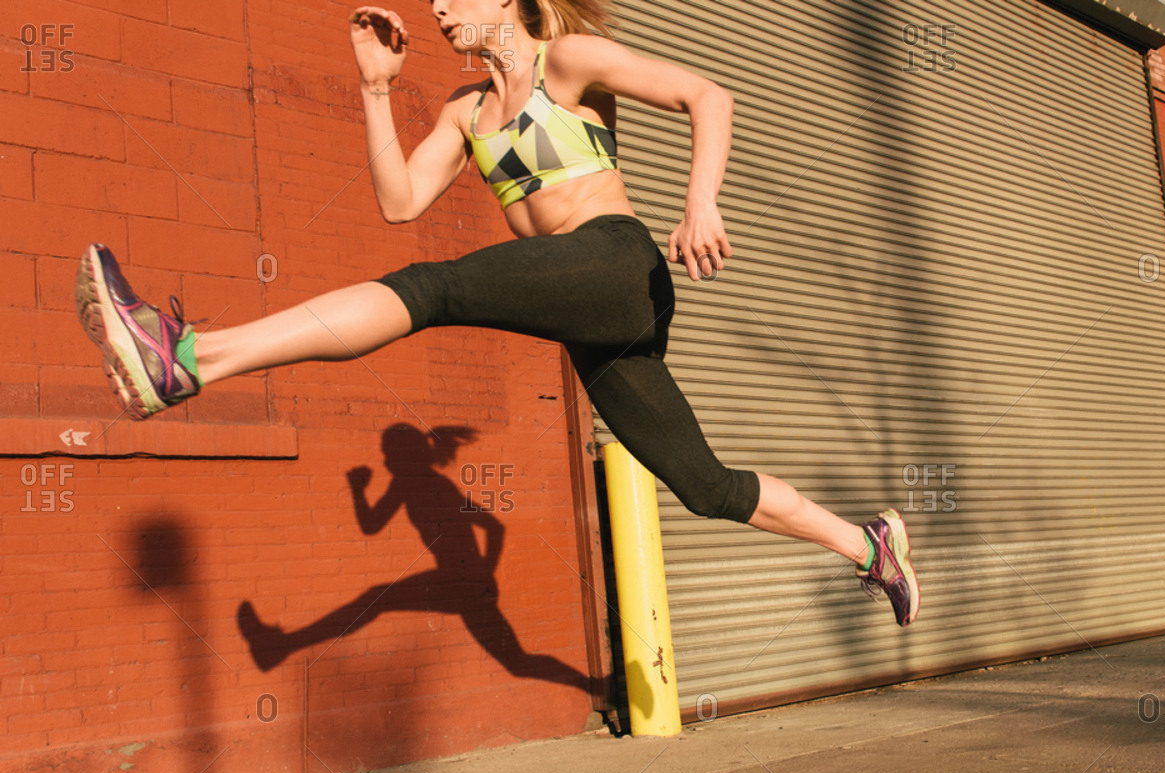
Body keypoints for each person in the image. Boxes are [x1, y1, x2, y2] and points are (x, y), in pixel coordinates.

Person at [74, 0, 919, 626]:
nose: (438, 9)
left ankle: (188, 357)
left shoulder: (568, 59)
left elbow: (709, 95)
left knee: (434, 288)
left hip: (619, 265)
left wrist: (703, 203)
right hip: (588, 310)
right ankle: (869, 545)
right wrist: (375, 90)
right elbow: (401, 200)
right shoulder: (464, 112)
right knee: (703, 486)